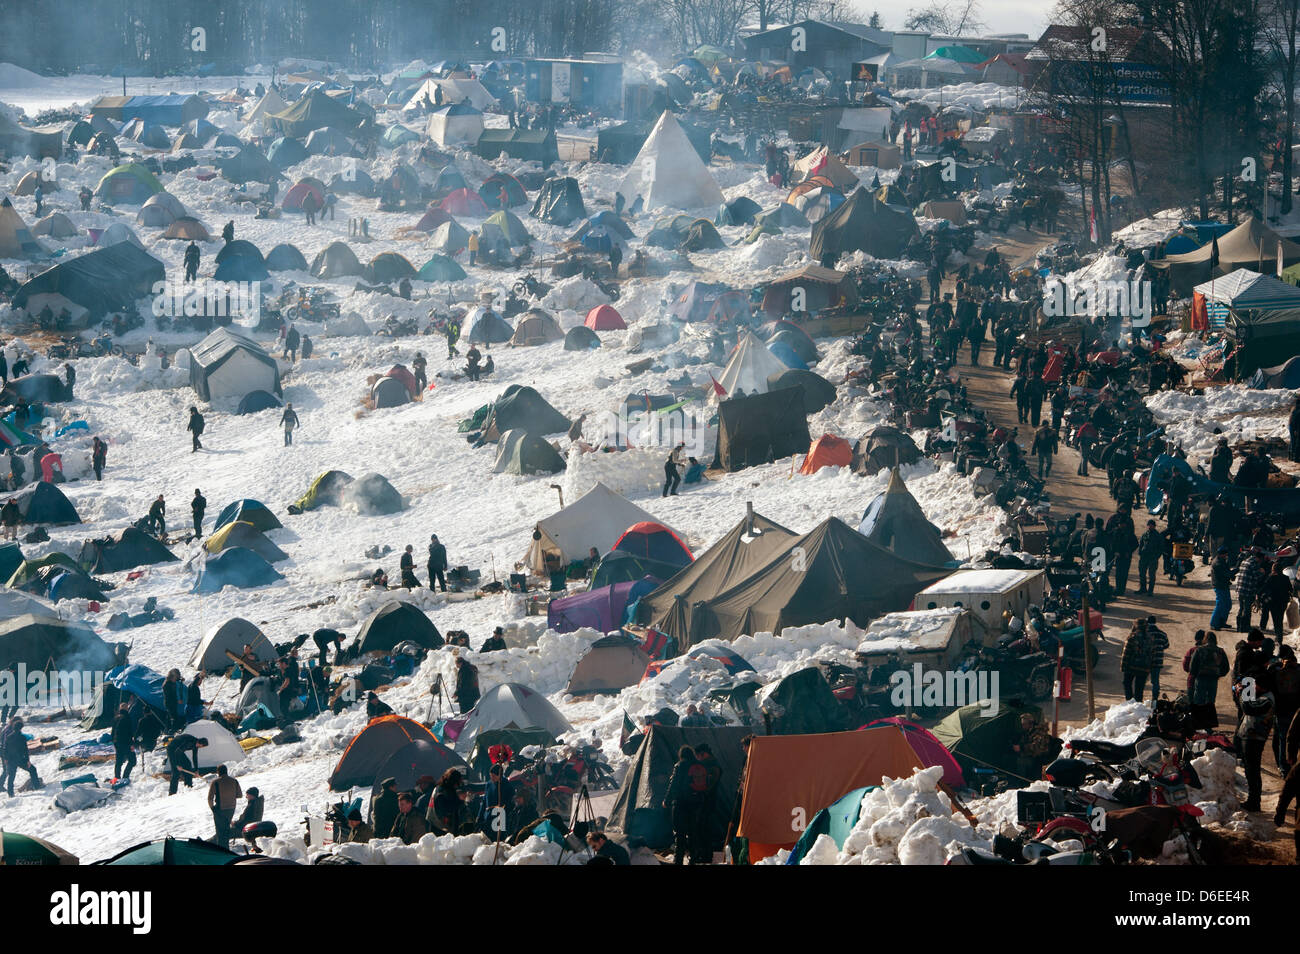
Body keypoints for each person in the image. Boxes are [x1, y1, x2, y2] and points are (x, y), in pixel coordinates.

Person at [1237, 672, 1275, 812]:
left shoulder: (1267, 699)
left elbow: (1248, 708)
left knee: (1253, 771)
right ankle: (1252, 800)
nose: (1253, 687)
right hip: (1250, 736)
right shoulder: (1262, 696)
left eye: (1255, 685)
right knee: (1250, 770)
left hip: (1255, 737)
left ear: (1262, 686)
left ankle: (1254, 802)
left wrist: (1244, 692)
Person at [664, 745, 700, 865]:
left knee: (680, 834)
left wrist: (667, 800)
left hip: (680, 804)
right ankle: (693, 859)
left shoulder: (679, 765)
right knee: (693, 832)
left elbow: (673, 785)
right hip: (695, 804)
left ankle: (678, 860)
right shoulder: (699, 766)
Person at [1187, 632, 1230, 729]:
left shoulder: (1199, 650)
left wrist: (1195, 675)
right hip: (1213, 679)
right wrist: (1218, 674)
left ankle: (1197, 726)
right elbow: (1226, 668)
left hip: (1201, 678)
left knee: (1198, 701)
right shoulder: (1220, 651)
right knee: (1210, 702)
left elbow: (1192, 667)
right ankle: (1208, 727)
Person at [1, 717, 41, 796]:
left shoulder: (9, 737)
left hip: (11, 760)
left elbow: (5, 749)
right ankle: (37, 786)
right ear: (20, 728)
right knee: (32, 770)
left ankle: (10, 793)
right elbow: (25, 751)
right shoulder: (22, 738)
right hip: (20, 759)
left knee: (11, 776)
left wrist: (6, 759)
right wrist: (27, 761)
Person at [208, 764, 242, 848]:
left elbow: (210, 798)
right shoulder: (234, 781)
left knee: (220, 831)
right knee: (226, 829)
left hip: (220, 809)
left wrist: (213, 808)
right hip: (231, 808)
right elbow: (239, 795)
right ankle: (226, 847)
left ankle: (222, 849)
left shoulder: (215, 782)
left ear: (218, 772)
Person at [1120, 619, 1152, 703]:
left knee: (1127, 683)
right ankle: (1138, 704)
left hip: (1131, 666)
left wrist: (1123, 666)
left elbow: (1126, 653)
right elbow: (1153, 653)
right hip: (1144, 667)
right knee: (1139, 688)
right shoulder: (1150, 638)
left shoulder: (1132, 637)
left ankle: (1130, 701)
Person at [429, 768, 465, 835]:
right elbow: (448, 808)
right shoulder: (446, 791)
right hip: (443, 828)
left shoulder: (438, 788)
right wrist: (461, 801)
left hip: (435, 825)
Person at [1262, 561, 1293, 638]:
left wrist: (1257, 595)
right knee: (1280, 618)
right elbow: (1290, 589)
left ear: (1273, 569)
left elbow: (1264, 588)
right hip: (1283, 602)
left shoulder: (1271, 578)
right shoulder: (1286, 578)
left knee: (1276, 620)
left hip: (1273, 602)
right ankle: (1279, 636)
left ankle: (1278, 635)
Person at [1137, 519, 1163, 596]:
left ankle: (1150, 591)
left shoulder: (1158, 536)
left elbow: (1161, 547)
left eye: (1151, 525)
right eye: (1149, 525)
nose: (1150, 527)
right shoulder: (1145, 534)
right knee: (1142, 573)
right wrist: (1140, 552)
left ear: (1154, 526)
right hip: (1144, 556)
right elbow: (1141, 544)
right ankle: (1143, 588)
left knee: (1151, 575)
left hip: (1153, 557)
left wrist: (1157, 556)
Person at [111, 704, 137, 780]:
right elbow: (129, 732)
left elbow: (112, 733)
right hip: (126, 742)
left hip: (117, 742)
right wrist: (131, 744)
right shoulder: (127, 717)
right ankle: (125, 776)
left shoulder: (116, 718)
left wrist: (114, 743)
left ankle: (117, 778)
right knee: (132, 761)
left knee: (119, 762)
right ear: (127, 708)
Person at [1147, 617, 1170, 700]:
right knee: (1155, 681)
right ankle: (1154, 698)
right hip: (1158, 660)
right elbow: (1166, 645)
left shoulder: (1145, 633)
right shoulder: (1162, 634)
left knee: (1141, 680)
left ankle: (1138, 698)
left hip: (1146, 660)